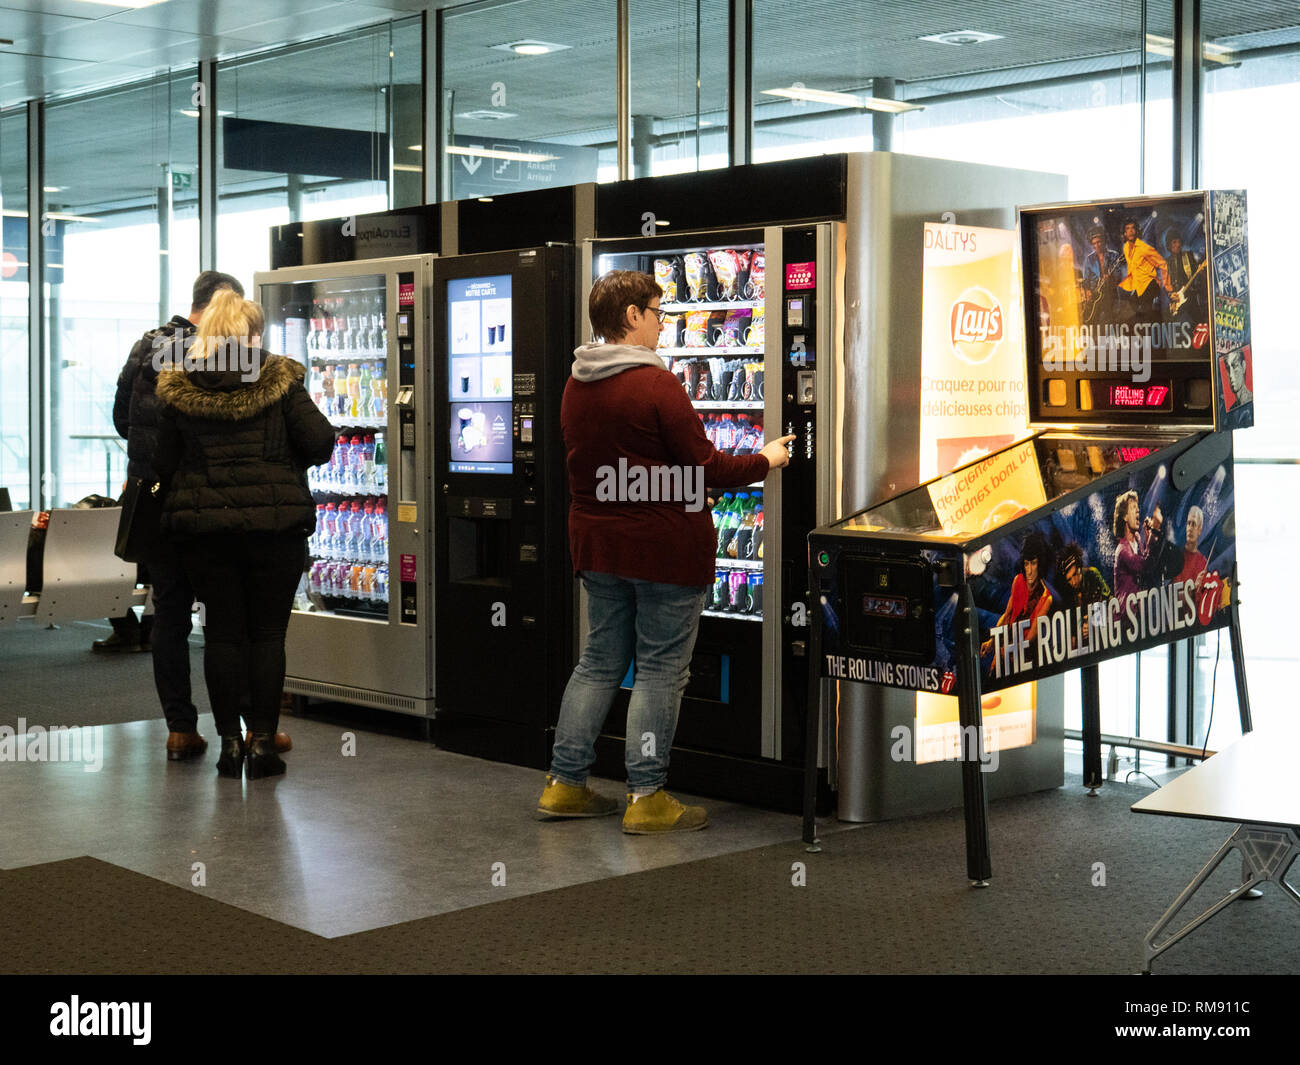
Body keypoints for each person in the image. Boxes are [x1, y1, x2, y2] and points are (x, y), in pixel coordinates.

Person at [537, 270, 794, 833]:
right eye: (657, 312)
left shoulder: (576, 383)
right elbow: (706, 466)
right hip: (663, 549)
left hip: (598, 544)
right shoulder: (656, 385)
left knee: (599, 662)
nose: (662, 323)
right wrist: (766, 459)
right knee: (658, 670)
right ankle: (647, 796)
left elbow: (613, 471)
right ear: (631, 316)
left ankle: (564, 785)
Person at [109, 270, 299, 761]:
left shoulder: (146, 347)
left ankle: (179, 728)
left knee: (169, 613)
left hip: (158, 501)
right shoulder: (227, 359)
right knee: (230, 620)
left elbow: (121, 420)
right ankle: (249, 729)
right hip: (209, 505)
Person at [154, 291, 334, 779]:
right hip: (274, 530)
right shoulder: (281, 379)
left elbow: (161, 462)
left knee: (222, 634)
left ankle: (229, 746)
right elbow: (320, 443)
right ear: (254, 333)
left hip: (204, 533)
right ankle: (262, 745)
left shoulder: (178, 385)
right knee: (268, 635)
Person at [979, 530, 1054, 665]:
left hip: (1023, 658)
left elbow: (1031, 637)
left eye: (1034, 563)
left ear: (1040, 564)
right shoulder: (1018, 581)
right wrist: (992, 642)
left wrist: (1008, 650)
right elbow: (1007, 615)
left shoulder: (1046, 598)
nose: (1029, 570)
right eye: (1026, 564)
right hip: (1006, 646)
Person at [1116, 218, 1171, 325]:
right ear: (1124, 233)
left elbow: (1162, 263)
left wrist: (1168, 286)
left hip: (1150, 284)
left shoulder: (1144, 248)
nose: (1131, 231)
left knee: (1146, 312)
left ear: (1137, 231)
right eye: (1128, 229)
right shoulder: (1126, 247)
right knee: (1133, 305)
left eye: (1133, 228)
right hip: (1140, 286)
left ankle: (1153, 331)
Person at [1112, 489, 1159, 608]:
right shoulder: (1122, 550)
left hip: (1136, 612)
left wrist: (1147, 536)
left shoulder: (1137, 539)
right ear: (1124, 516)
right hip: (1124, 617)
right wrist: (1151, 540)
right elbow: (1144, 566)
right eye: (1133, 507)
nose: (1138, 510)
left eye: (1137, 507)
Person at [1164, 232, 1205, 324]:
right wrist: (1171, 294)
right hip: (1177, 298)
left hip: (1190, 295)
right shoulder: (1167, 262)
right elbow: (1166, 282)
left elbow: (1198, 271)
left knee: (1200, 322)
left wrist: (1202, 272)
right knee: (1170, 323)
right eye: (1174, 242)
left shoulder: (1188, 255)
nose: (1178, 245)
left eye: (1179, 242)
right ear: (1169, 246)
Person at [1177, 505, 1209, 588]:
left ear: (1199, 530)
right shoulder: (1177, 556)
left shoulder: (1203, 563)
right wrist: (1194, 587)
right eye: (1188, 523)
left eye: (1194, 524)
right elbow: (1173, 594)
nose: (1190, 528)